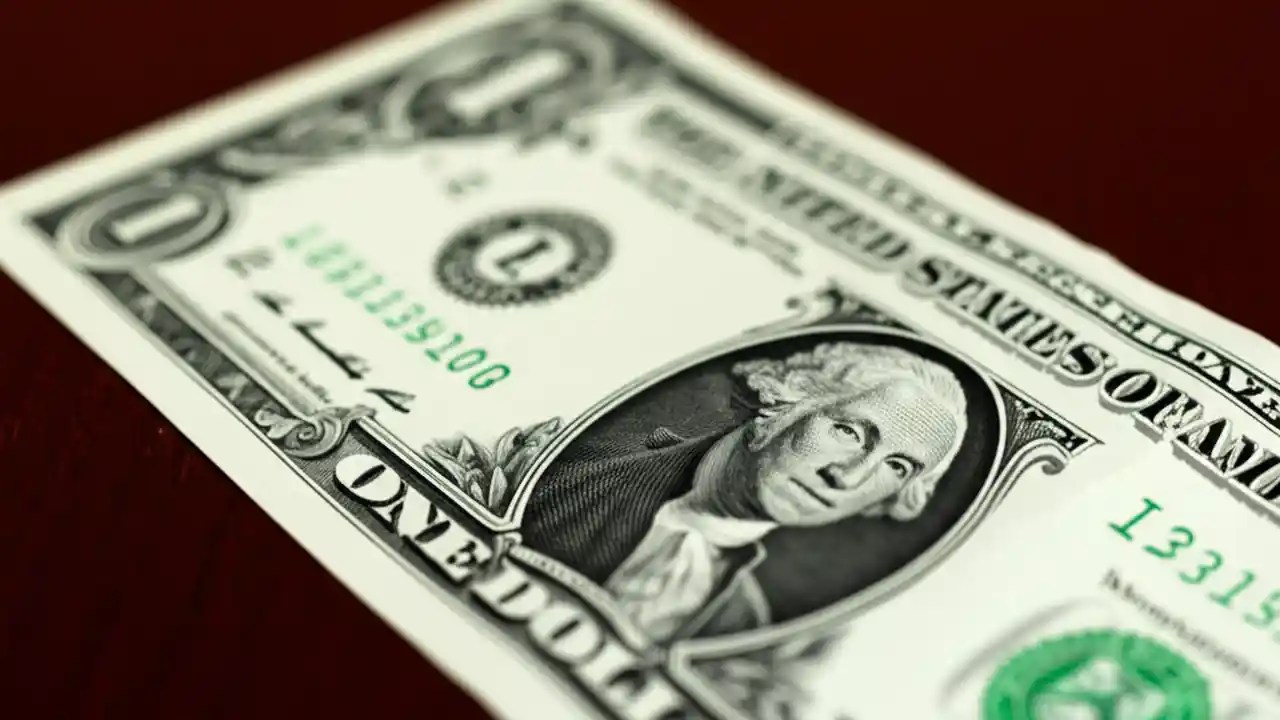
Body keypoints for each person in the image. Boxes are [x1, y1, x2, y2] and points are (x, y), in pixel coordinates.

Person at [521, 342, 968, 643]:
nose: (848, 478)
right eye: (848, 432)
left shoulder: (741, 620)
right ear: (785, 405)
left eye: (895, 466)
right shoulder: (563, 480)